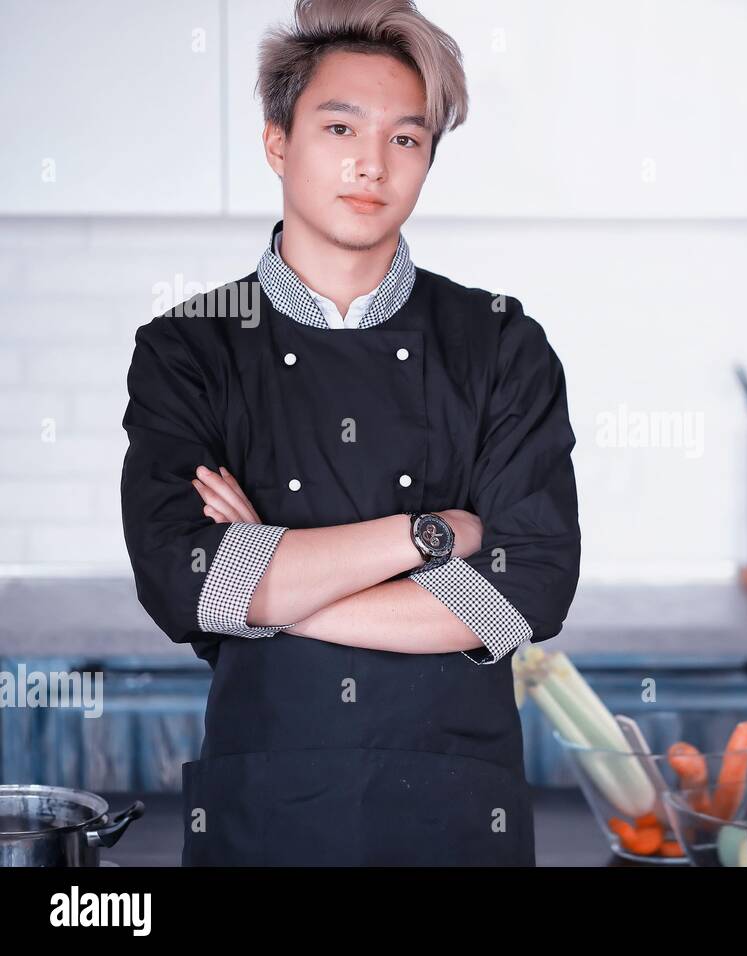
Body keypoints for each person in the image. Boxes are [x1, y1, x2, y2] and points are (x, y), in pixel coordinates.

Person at [119, 0, 581, 866]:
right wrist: (429, 537)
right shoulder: (188, 349)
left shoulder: (500, 344)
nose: (373, 164)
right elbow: (183, 583)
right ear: (277, 142)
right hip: (264, 807)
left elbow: (525, 596)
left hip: (455, 808)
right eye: (340, 126)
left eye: (406, 139)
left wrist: (273, 583)